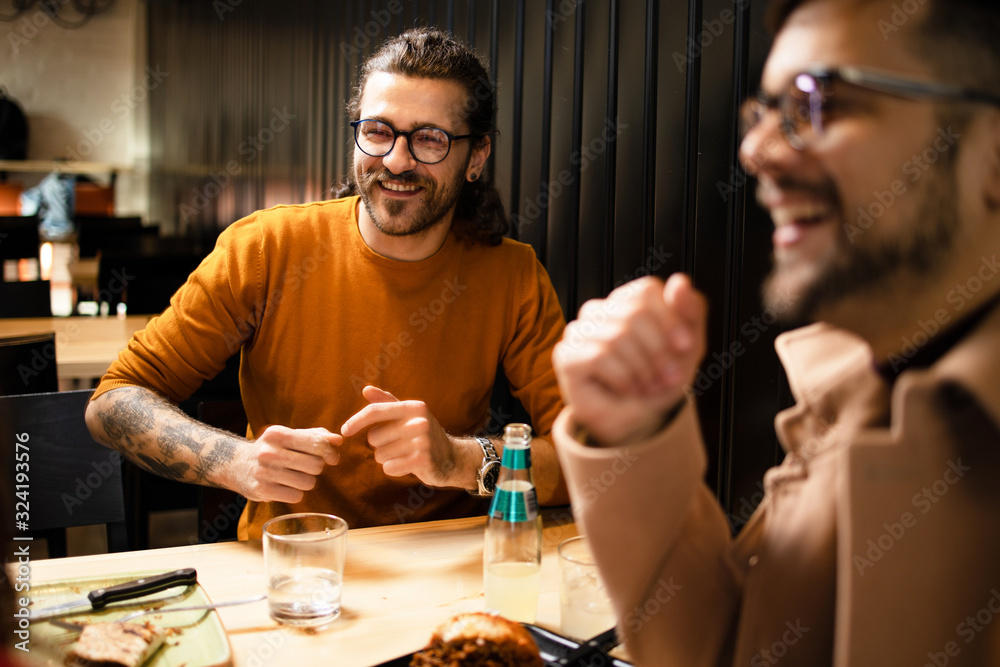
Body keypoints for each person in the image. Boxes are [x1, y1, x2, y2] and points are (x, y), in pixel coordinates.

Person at [551, 0, 1000, 665]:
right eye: (762, 114)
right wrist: (633, 433)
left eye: (817, 102)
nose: (755, 151)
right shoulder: (855, 397)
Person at [85, 28, 567, 540]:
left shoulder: (512, 275)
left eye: (430, 139)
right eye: (379, 131)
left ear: (476, 157)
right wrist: (237, 462)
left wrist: (460, 459)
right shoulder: (267, 248)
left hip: (449, 573)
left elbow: (592, 457)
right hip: (291, 568)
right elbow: (111, 402)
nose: (397, 161)